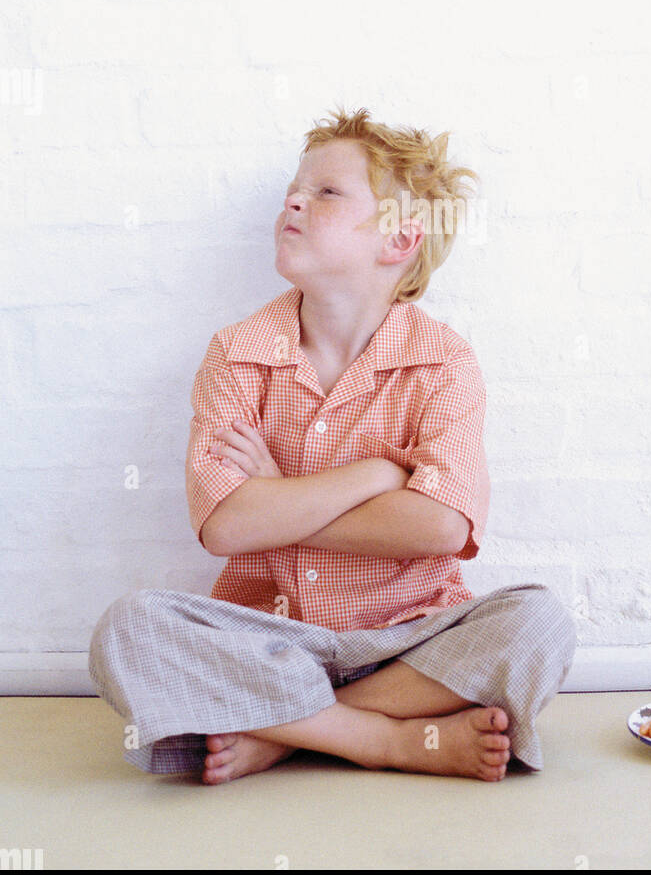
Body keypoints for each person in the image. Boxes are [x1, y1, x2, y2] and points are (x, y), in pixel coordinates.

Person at [89, 106, 576, 784]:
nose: (293, 201)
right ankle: (380, 738)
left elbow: (441, 526)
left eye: (326, 192)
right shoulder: (236, 353)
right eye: (295, 189)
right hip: (269, 642)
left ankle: (288, 731)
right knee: (127, 629)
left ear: (399, 240)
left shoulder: (443, 361)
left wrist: (276, 500)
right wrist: (376, 474)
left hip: (411, 641)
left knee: (541, 622)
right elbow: (226, 526)